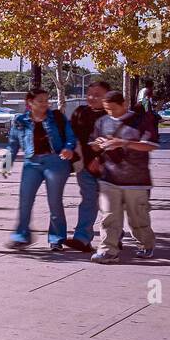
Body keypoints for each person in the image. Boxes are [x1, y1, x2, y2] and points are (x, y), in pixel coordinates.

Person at [3, 87, 77, 251]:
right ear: (30, 102)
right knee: (25, 200)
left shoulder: (57, 117)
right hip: (32, 163)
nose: (45, 103)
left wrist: (69, 148)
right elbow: (13, 145)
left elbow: (71, 136)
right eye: (41, 100)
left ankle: (56, 239)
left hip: (56, 162)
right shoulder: (20, 121)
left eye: (46, 100)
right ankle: (22, 236)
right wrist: (6, 164)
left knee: (54, 202)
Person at [89, 89, 159, 263]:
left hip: (136, 179)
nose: (110, 113)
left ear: (124, 104)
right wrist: (97, 145)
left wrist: (123, 143)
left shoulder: (142, 120)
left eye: (113, 108)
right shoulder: (102, 121)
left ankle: (145, 244)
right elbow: (93, 143)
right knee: (108, 216)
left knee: (138, 218)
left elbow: (151, 145)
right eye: (107, 109)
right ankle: (107, 251)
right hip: (109, 177)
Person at [66, 80, 109, 253]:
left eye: (97, 95)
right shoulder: (80, 112)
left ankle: (114, 238)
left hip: (110, 169)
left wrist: (101, 159)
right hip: (84, 167)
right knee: (88, 201)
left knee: (110, 206)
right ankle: (82, 239)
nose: (92, 98)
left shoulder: (113, 115)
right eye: (89, 94)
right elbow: (71, 135)